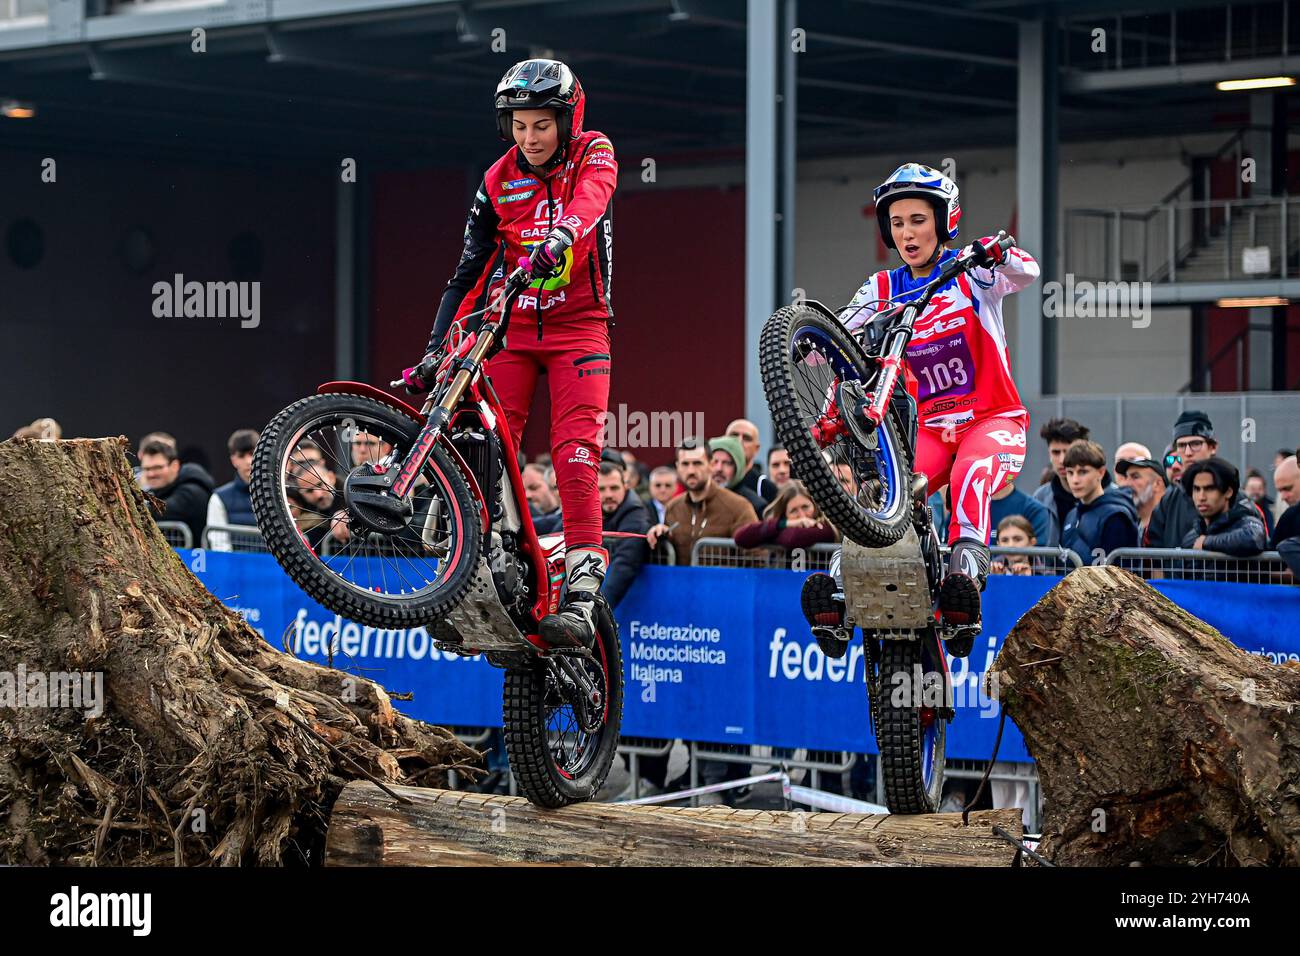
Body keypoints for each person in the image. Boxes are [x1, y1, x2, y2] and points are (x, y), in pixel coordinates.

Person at [401, 58, 616, 650]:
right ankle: (478, 567)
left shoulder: (593, 151)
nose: (530, 137)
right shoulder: (496, 181)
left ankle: (581, 588)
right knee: (487, 447)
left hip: (581, 330)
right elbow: (466, 273)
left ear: (567, 121)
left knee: (574, 455)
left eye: (542, 124)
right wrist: (433, 351)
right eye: (519, 125)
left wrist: (562, 237)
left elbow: (594, 197)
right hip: (512, 331)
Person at [802, 162, 1040, 654]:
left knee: (971, 474)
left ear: (943, 220)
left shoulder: (973, 275)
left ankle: (965, 581)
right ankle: (840, 589)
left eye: (917, 220)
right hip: (928, 430)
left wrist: (996, 254)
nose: (907, 233)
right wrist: (803, 343)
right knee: (887, 494)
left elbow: (1027, 271)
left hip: (992, 421)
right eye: (896, 223)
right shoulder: (882, 288)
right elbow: (840, 329)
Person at [647, 440, 755, 566]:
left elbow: (756, 558)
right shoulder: (673, 507)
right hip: (682, 584)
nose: (691, 470)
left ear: (711, 464)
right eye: (685, 464)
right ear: (677, 467)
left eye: (697, 463)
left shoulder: (738, 507)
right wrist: (662, 536)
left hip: (725, 584)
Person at [1146, 410, 1220, 548]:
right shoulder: (1169, 499)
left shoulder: (1231, 493)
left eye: (1195, 444)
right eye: (1181, 445)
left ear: (1212, 447)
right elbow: (1153, 546)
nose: (1187, 452)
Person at [1059, 440, 1138, 566]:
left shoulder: (1115, 516)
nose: (1075, 480)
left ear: (1101, 472)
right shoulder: (1071, 515)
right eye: (1070, 472)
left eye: (1083, 472)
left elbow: (1121, 573)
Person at [1181, 458, 1267, 558]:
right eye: (1196, 489)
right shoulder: (1191, 538)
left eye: (1210, 489)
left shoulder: (1245, 524)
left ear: (1228, 492)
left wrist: (1207, 542)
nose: (1201, 497)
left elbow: (1254, 538)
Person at [139, 439, 215, 545]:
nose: (151, 474)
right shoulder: (158, 490)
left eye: (157, 467)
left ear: (175, 466)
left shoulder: (193, 491)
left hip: (196, 560)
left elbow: (162, 509)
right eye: (147, 469)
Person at [1031, 418, 1094, 539]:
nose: (1062, 460)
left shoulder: (1108, 494)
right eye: (1055, 452)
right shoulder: (1040, 498)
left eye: (1068, 451)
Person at [733, 480, 839, 552]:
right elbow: (740, 538)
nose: (802, 516)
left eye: (805, 507)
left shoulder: (827, 525)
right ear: (784, 513)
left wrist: (772, 535)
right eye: (793, 511)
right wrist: (785, 524)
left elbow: (792, 538)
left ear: (815, 506)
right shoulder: (780, 525)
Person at [207, 429, 259, 552]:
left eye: (252, 454)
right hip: (237, 568)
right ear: (233, 460)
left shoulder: (279, 492)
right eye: (241, 456)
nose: (248, 461)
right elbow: (219, 546)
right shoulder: (218, 498)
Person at [707, 435, 766, 518]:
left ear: (738, 467)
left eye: (727, 463)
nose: (719, 468)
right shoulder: (693, 499)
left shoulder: (755, 505)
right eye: (714, 461)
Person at [987, 476, 1055, 548]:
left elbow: (1036, 554)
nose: (1011, 545)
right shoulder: (974, 506)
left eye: (1017, 539)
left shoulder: (1033, 509)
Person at [1114, 455, 1167, 542]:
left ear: (1157, 484)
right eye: (1126, 477)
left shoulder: (1172, 524)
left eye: (1135, 477)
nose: (1127, 484)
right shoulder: (1128, 524)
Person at [725, 418, 777, 504]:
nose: (739, 441)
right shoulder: (711, 482)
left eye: (746, 438)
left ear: (756, 448)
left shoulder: (765, 487)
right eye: (733, 436)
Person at [1243, 468, 1277, 539]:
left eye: (1259, 488)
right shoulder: (1236, 510)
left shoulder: (1273, 510)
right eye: (1252, 489)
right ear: (1244, 490)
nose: (1256, 492)